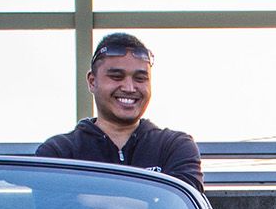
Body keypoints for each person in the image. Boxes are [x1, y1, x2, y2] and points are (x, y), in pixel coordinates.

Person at [36, 32, 203, 194]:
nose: (129, 88)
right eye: (117, 77)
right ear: (92, 82)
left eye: (140, 78)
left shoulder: (175, 147)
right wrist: (151, 206)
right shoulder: (59, 153)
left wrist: (86, 199)